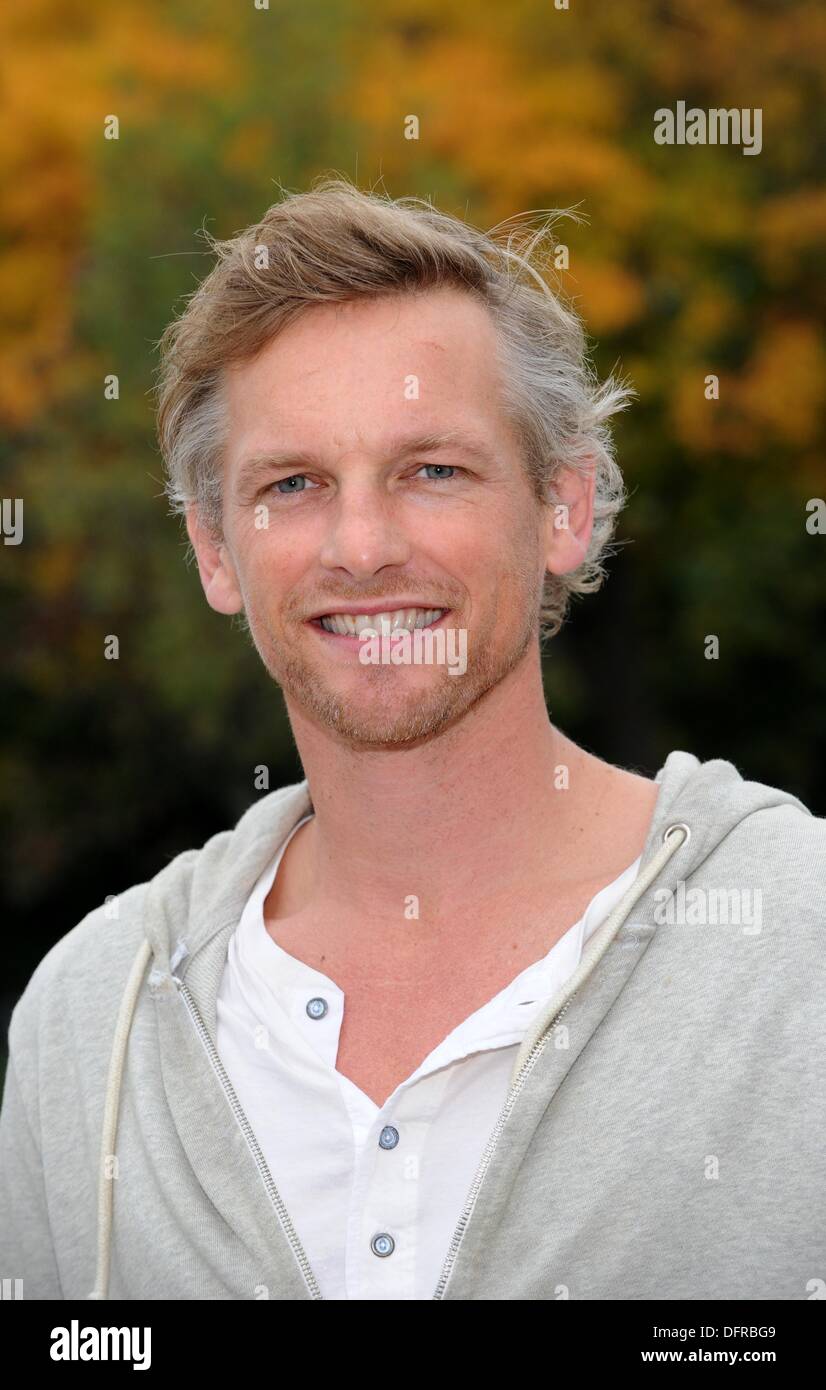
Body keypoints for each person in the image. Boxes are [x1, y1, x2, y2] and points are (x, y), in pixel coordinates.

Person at [1, 177, 823, 1301]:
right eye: (292, 484)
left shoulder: (799, 947)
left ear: (562, 506)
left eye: (431, 470)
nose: (360, 544)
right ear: (213, 549)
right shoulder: (89, 1020)